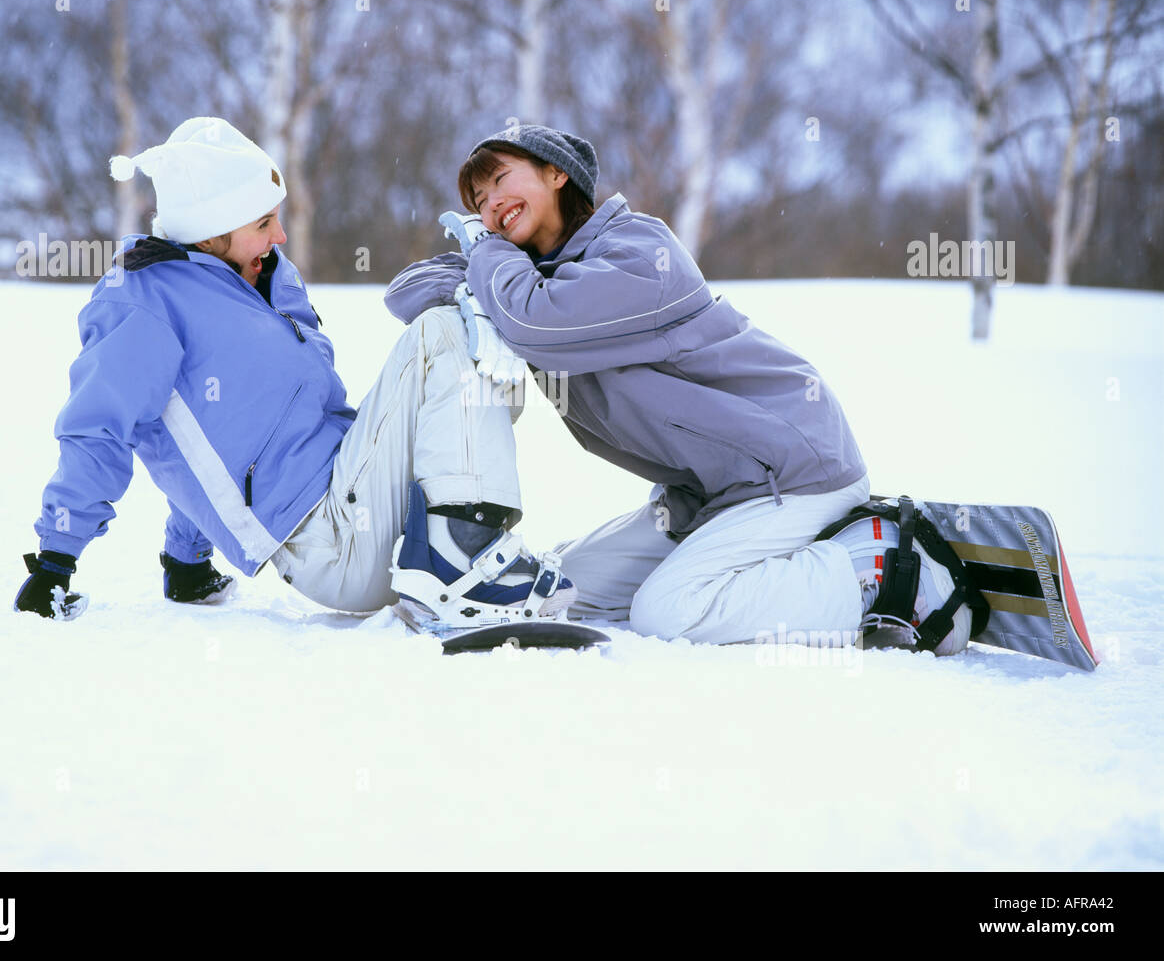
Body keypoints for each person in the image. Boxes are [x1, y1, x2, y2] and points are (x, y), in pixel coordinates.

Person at [385, 124, 972, 654]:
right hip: (712, 494)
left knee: (670, 611)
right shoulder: (530, 277)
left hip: (794, 470)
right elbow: (406, 292)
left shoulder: (641, 255)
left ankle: (886, 572)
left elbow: (534, 322)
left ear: (556, 173)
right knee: (555, 587)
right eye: (479, 205)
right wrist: (477, 280)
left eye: (500, 181)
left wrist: (483, 259)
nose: (490, 210)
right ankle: (792, 558)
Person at [13, 117, 573, 633]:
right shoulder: (145, 299)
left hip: (367, 507)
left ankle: (468, 546)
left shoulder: (264, 279)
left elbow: (219, 428)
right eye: (263, 222)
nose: (280, 236)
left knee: (469, 333)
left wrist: (187, 559)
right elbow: (103, 425)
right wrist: (55, 560)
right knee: (442, 331)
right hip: (332, 542)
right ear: (212, 230)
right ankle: (460, 563)